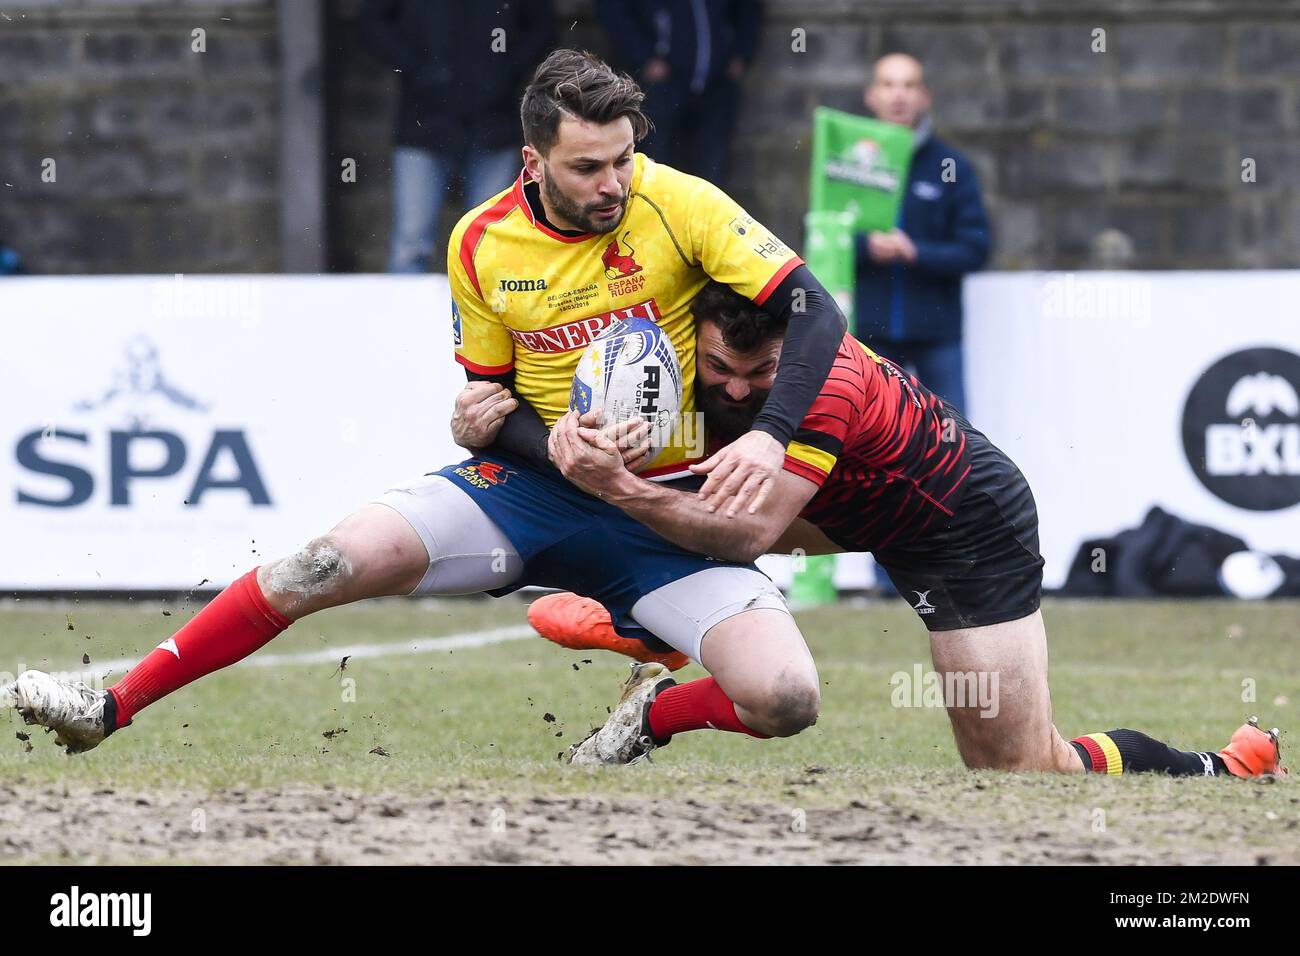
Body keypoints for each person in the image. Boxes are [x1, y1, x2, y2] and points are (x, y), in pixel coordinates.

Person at [9, 51, 849, 770]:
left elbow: (817, 307)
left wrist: (771, 437)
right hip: (531, 488)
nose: (613, 184)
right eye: (588, 167)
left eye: (623, 159)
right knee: (318, 565)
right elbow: (487, 408)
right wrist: (551, 442)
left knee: (786, 698)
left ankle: (646, 716)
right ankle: (110, 708)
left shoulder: (682, 204)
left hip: (671, 513)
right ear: (533, 161)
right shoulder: (480, 243)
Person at [493, 282, 1284, 777]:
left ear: (791, 356)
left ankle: (1222, 765)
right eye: (719, 369)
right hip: (841, 509)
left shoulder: (824, 382)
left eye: (758, 374)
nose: (735, 388)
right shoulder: (684, 363)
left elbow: (748, 534)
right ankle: (648, 638)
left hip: (962, 524)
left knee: (1020, 770)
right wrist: (495, 411)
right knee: (680, 506)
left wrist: (621, 485)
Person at [357, 0, 556, 273]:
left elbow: (543, 26)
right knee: (412, 243)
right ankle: (404, 316)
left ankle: (492, 314)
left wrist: (505, 72)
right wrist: (416, 67)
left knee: (492, 241)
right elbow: (372, 21)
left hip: (492, 118)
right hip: (425, 117)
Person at [853, 52, 990, 417]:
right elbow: (821, 238)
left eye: (909, 85)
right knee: (870, 444)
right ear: (871, 95)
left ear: (925, 96)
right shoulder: (848, 163)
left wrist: (915, 252)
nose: (899, 95)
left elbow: (975, 248)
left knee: (956, 445)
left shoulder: (951, 166)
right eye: (889, 84)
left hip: (937, 336)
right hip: (868, 334)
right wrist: (867, 247)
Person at [596, 0, 760, 185]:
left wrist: (742, 53)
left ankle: (703, 214)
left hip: (717, 81)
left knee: (712, 169)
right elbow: (614, 12)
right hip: (661, 83)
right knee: (655, 167)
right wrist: (642, 57)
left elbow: (749, 9)